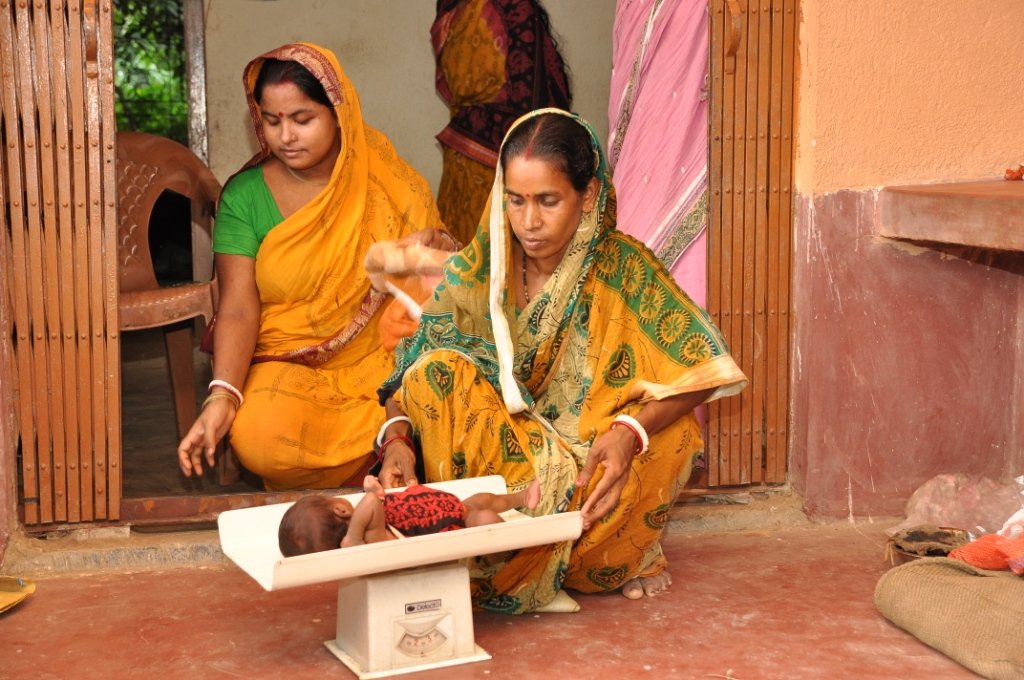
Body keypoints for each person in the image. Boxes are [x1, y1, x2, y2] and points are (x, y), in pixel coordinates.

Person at [372, 109, 748, 614]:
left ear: (587, 195)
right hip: (505, 480)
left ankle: (572, 557)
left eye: (548, 201)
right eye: (515, 200)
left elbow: (704, 369)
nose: (528, 222)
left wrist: (628, 431)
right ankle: (509, 551)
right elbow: (407, 376)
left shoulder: (624, 267)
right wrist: (397, 442)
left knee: (674, 437)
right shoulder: (482, 269)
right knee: (435, 374)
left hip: (587, 469)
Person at [176, 42, 454, 491]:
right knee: (258, 436)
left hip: (382, 365)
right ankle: (388, 449)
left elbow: (435, 303)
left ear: (338, 112)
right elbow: (239, 308)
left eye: (302, 119)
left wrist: (433, 252)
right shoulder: (245, 197)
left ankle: (392, 442)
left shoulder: (387, 180)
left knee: (446, 398)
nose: (285, 136)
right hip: (292, 370)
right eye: (271, 121)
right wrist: (223, 395)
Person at [431, 0, 572, 246]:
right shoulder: (464, 6)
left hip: (496, 161)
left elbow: (531, 99)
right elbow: (536, 96)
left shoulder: (508, 7)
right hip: (473, 163)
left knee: (498, 265)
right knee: (472, 262)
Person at [278, 476, 541, 556]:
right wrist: (355, 537)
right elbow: (371, 501)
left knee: (486, 501)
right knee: (485, 516)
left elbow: (376, 499)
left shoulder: (368, 524)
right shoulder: (369, 536)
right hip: (451, 522)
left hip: (448, 506)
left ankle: (522, 498)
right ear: (341, 510)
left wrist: (376, 489)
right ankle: (511, 553)